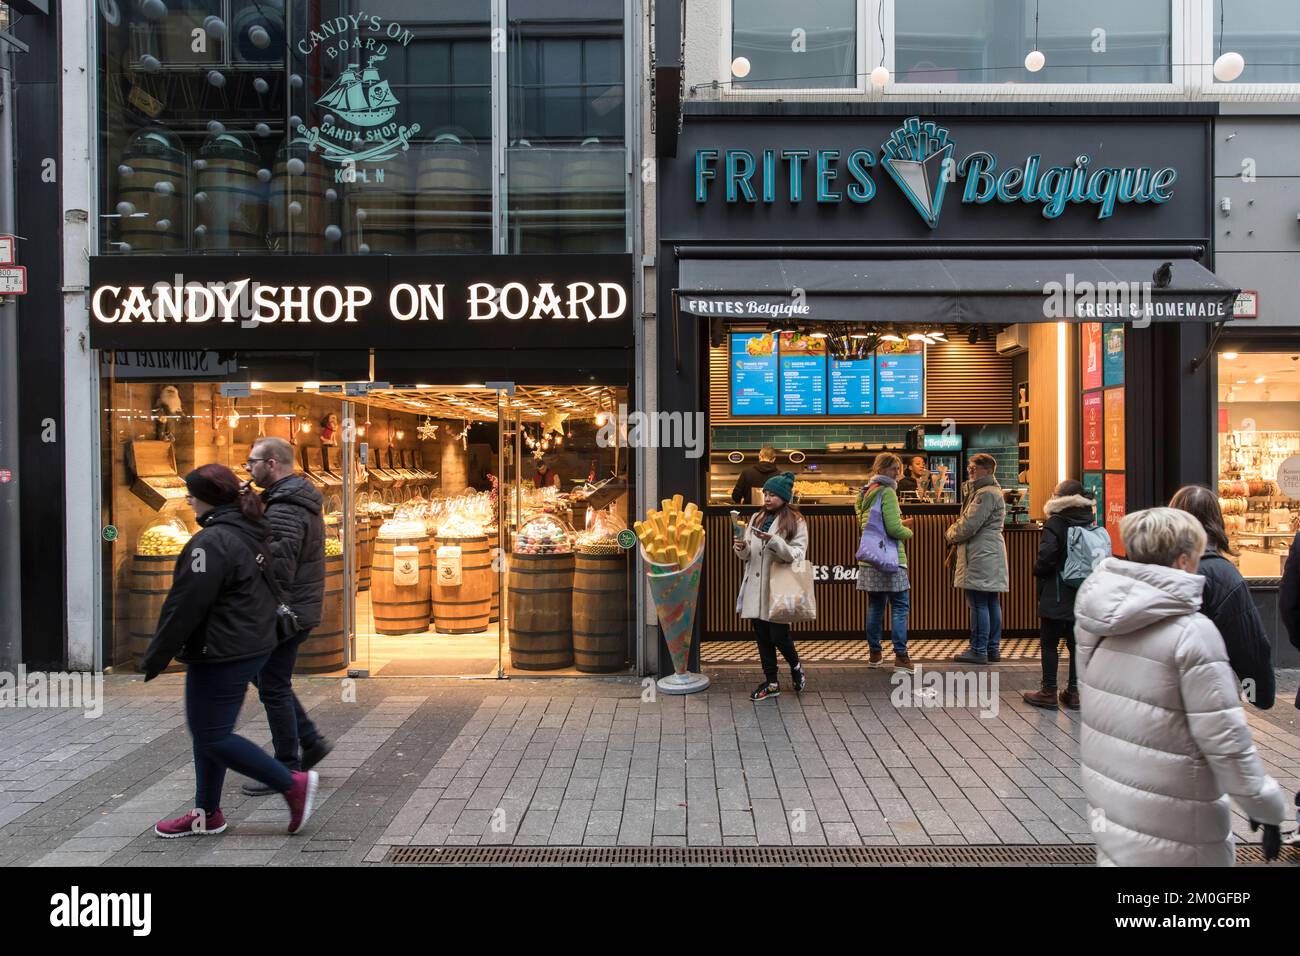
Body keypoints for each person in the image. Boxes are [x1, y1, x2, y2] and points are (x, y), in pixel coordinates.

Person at [1073, 507, 1288, 866]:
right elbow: (1225, 737)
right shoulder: (1193, 633)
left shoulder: (1096, 617)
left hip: (1113, 806)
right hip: (1181, 825)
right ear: (1184, 559)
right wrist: (1263, 804)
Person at [141, 464, 318, 837]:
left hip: (222, 648)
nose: (187, 497)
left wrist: (158, 654)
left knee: (211, 734)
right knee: (209, 731)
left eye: (192, 492)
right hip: (247, 642)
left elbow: (185, 604)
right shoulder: (245, 529)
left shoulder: (211, 542)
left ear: (209, 497)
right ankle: (207, 814)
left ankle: (291, 783)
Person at [241, 436, 332, 796]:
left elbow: (277, 567)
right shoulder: (286, 500)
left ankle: (286, 768)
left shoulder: (285, 507)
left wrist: (260, 608)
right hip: (294, 608)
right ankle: (309, 741)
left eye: (253, 461)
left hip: (286, 612)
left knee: (272, 684)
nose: (248, 468)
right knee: (267, 680)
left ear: (272, 464)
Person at [1170, 485, 1275, 710]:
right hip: (1204, 698)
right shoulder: (1223, 576)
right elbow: (1249, 647)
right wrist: (1258, 693)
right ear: (1216, 521)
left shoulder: (1150, 564)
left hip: (1155, 693)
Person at [733, 471, 809, 700]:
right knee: (762, 637)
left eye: (773, 494)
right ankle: (772, 682)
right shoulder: (756, 517)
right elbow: (748, 555)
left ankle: (796, 667)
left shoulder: (796, 521)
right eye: (766, 493)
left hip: (778, 588)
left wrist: (774, 541)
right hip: (755, 587)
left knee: (779, 636)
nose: (767, 498)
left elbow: (797, 555)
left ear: (785, 497)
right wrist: (741, 548)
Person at [1023, 480, 1098, 710]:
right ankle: (1074, 692)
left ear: (1059, 498)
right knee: (1075, 643)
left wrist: (1037, 570)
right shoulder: (1089, 520)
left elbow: (1046, 557)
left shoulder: (1056, 522)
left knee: (1049, 642)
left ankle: (1048, 691)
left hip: (1056, 591)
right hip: (1082, 593)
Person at [946, 453, 1009, 664]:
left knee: (978, 602)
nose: (971, 470)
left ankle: (979, 649)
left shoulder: (985, 494)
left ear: (989, 470)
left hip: (980, 553)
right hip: (987, 552)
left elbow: (968, 526)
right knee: (990, 601)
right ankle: (992, 649)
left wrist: (950, 533)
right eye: (970, 467)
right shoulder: (988, 491)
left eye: (976, 467)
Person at [855, 452, 915, 671]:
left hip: (870, 559)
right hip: (891, 560)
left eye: (898, 469)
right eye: (893, 469)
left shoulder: (863, 493)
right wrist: (909, 531)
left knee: (875, 606)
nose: (897, 473)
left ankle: (874, 655)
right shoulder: (888, 492)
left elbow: (867, 525)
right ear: (881, 470)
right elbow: (893, 529)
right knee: (899, 606)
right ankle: (901, 657)